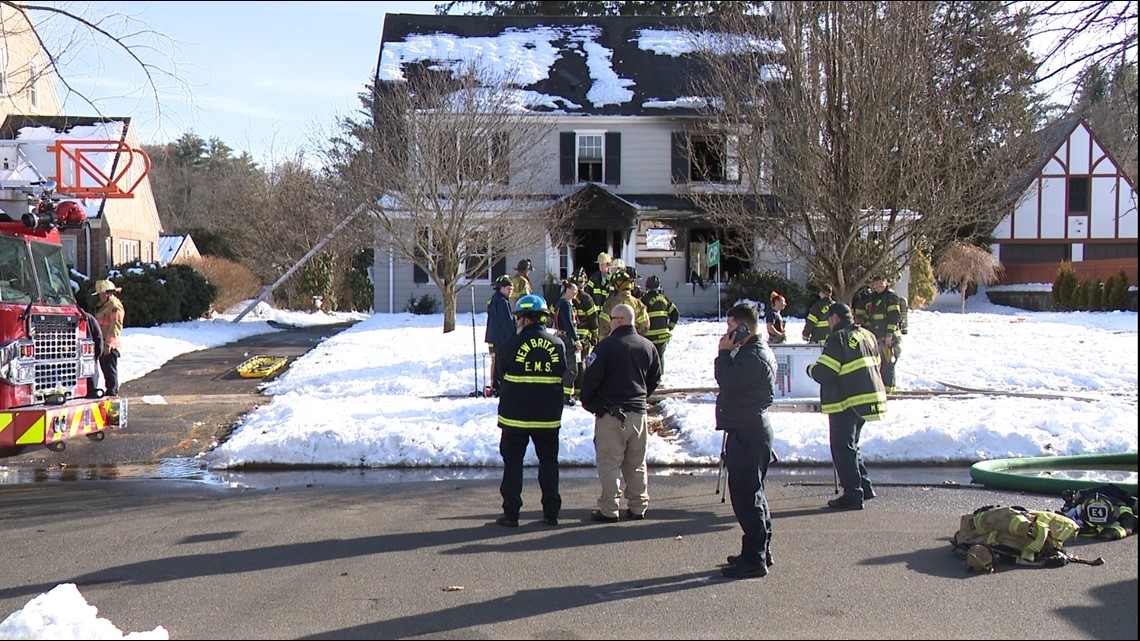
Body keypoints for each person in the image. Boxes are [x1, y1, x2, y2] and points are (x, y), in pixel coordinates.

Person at [579, 303, 661, 522]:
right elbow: (655, 378)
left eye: (612, 319)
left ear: (620, 320)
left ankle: (609, 509)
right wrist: (642, 397)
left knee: (609, 463)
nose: (610, 323)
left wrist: (591, 404)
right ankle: (638, 506)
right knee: (636, 463)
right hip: (638, 414)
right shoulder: (648, 347)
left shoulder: (606, 347)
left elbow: (590, 381)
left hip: (611, 415)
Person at [493, 294, 567, 527]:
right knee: (549, 464)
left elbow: (499, 376)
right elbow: (565, 372)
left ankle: (511, 513)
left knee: (513, 465)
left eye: (518, 318)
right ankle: (551, 512)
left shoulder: (511, 344)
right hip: (547, 417)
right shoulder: (557, 344)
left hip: (515, 417)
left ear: (524, 318)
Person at [715, 303, 777, 578]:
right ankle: (758, 550)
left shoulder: (753, 356)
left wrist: (723, 354)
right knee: (753, 494)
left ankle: (755, 558)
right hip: (748, 429)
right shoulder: (752, 352)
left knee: (746, 496)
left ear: (744, 327)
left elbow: (727, 380)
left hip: (749, 432)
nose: (727, 333)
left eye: (731, 327)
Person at [807, 302, 887, 510]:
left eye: (828, 320)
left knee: (842, 447)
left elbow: (826, 372)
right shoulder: (867, 335)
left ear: (834, 318)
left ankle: (852, 494)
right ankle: (864, 487)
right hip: (868, 398)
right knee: (851, 445)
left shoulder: (838, 337)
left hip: (847, 399)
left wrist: (810, 369)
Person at [864, 275, 903, 393]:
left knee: (888, 364)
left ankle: (889, 392)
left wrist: (889, 334)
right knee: (877, 364)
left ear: (886, 283)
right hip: (876, 336)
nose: (878, 286)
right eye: (875, 284)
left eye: (880, 283)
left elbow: (894, 316)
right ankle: (881, 389)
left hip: (889, 337)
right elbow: (868, 316)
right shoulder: (872, 298)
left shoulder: (891, 297)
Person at [484, 275, 515, 396]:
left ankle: (495, 385)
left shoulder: (493, 300)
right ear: (501, 288)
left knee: (495, 361)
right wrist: (513, 335)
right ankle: (501, 385)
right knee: (501, 362)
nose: (510, 292)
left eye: (511, 290)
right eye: (508, 289)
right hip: (501, 338)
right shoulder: (503, 302)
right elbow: (507, 321)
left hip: (492, 336)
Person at [94, 279, 125, 397]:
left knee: (110, 371)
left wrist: (108, 344)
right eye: (100, 294)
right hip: (103, 344)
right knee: (105, 370)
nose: (101, 296)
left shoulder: (114, 306)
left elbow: (115, 327)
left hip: (110, 346)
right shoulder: (103, 306)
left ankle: (112, 393)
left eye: (103, 294)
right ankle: (110, 391)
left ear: (110, 293)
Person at [642, 275, 679, 373]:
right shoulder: (665, 299)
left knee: (650, 357)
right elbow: (675, 313)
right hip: (663, 335)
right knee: (660, 356)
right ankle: (660, 377)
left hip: (649, 335)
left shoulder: (643, 300)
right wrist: (670, 327)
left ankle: (651, 378)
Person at [571, 268, 599, 398]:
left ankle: (573, 389)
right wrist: (595, 335)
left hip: (570, 337)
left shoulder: (566, 296)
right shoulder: (587, 298)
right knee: (582, 363)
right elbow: (593, 319)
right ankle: (580, 390)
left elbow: (555, 311)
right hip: (583, 338)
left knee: (573, 363)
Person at [597, 270, 649, 339]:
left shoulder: (609, 304)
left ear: (617, 285)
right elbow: (644, 325)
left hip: (615, 342)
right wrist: (635, 336)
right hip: (633, 342)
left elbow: (603, 326)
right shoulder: (638, 304)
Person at [553, 279, 581, 405]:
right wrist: (576, 340)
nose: (577, 292)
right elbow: (569, 324)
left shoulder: (559, 303)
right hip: (567, 339)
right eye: (574, 290)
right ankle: (566, 396)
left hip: (560, 337)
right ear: (568, 290)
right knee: (572, 369)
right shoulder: (565, 304)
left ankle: (562, 394)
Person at [82, 308, 104, 399]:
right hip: (90, 359)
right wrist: (96, 356)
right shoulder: (90, 319)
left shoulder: (87, 318)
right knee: (92, 387)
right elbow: (99, 337)